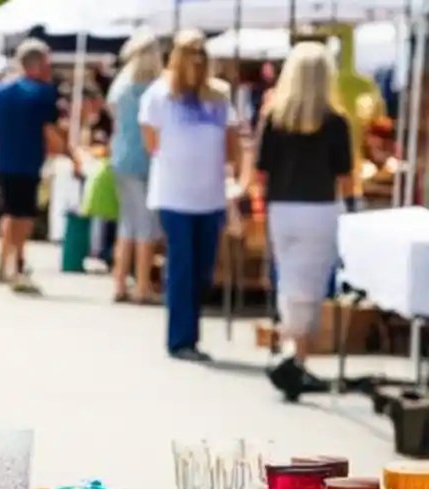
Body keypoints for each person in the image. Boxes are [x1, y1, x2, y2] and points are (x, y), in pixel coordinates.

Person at [257, 42, 355, 401]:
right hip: (320, 208)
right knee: (309, 288)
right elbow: (345, 174)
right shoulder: (335, 121)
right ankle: (294, 357)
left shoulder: (275, 117)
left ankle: (291, 354)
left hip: (282, 207)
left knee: (290, 279)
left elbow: (262, 168)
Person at [140, 29, 243, 362]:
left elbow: (232, 144)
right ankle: (181, 338)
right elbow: (151, 142)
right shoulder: (158, 95)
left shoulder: (220, 97)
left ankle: (191, 331)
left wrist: (234, 181)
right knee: (182, 264)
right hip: (174, 194)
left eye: (201, 52)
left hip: (209, 195)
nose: (196, 59)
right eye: (190, 52)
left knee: (203, 268)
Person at [0, 39, 67, 295]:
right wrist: (69, 154)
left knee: (10, 213)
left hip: (5, 159)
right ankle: (16, 267)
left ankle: (3, 263)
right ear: (39, 64)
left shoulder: (0, 91)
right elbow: (50, 131)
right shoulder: (43, 93)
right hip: (28, 160)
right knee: (23, 217)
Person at [107, 32, 164, 304]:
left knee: (127, 224)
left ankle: (119, 282)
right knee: (145, 226)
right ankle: (142, 286)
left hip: (120, 157)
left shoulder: (121, 85)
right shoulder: (152, 87)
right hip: (144, 159)